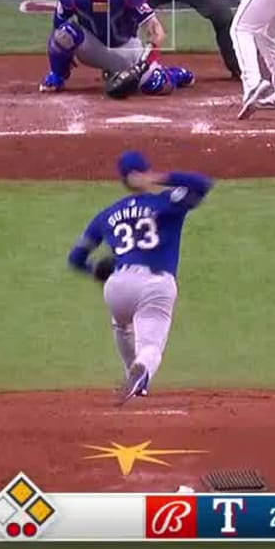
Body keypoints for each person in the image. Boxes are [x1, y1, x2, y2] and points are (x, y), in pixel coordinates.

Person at [67, 150, 214, 405]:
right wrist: (156, 178)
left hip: (117, 285)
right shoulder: (167, 202)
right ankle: (140, 373)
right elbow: (202, 184)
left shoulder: (106, 215)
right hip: (155, 285)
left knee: (121, 324)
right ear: (143, 172)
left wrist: (95, 270)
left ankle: (131, 374)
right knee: (151, 346)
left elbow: (75, 258)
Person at [40, 0, 195, 99]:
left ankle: (175, 74)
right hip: (91, 46)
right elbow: (58, 28)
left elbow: (156, 30)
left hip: (125, 50)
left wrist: (145, 61)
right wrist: (64, 58)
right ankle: (57, 77)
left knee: (155, 85)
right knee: (63, 34)